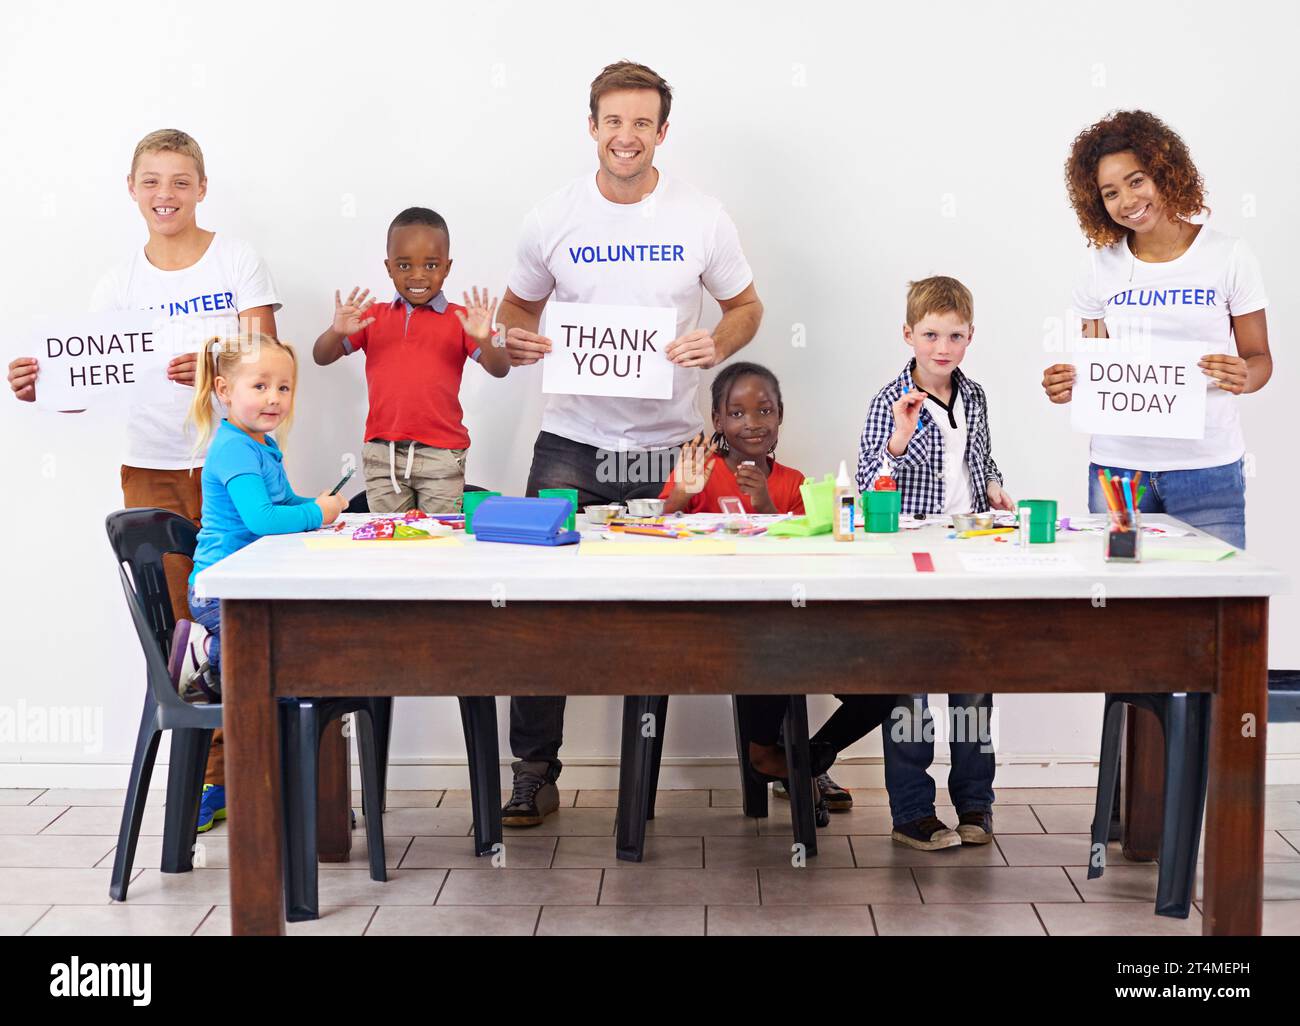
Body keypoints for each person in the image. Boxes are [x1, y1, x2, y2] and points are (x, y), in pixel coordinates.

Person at [495, 61, 763, 826]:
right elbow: (517, 305)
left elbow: (747, 304)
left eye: (642, 123)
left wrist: (716, 340)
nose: (627, 136)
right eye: (614, 121)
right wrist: (515, 338)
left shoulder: (701, 215)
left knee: (664, 611)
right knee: (542, 609)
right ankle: (533, 774)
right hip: (570, 443)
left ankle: (655, 780)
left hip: (669, 449)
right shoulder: (553, 216)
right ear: (592, 127)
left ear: (662, 132)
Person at [5, 129, 280, 832]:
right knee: (182, 629)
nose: (166, 195)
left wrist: (217, 361)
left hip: (233, 460)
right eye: (152, 181)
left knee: (238, 616)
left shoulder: (235, 259)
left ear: (202, 188)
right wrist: (42, 385)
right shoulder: (118, 283)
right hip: (150, 467)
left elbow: (268, 351)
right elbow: (86, 382)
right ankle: (202, 777)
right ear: (131, 189)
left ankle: (238, 772)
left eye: (180, 181)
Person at [1041, 109, 1271, 548]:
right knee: (1125, 611)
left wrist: (1245, 375)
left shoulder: (1228, 256)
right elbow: (1100, 364)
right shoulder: (1099, 267)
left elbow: (1260, 359)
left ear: (1165, 171)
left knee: (1213, 604)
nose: (1127, 201)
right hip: (1119, 473)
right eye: (1110, 193)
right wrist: (1071, 383)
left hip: (1209, 469)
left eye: (1136, 180)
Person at [858, 276, 1011, 849]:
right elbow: (871, 484)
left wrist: (995, 486)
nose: (942, 346)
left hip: (968, 551)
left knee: (973, 685)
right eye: (930, 334)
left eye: (954, 335)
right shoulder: (890, 401)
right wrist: (898, 438)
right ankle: (912, 813)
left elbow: (983, 457)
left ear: (970, 337)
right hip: (910, 554)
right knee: (911, 688)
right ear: (908, 335)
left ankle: (975, 805)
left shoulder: (973, 396)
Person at [184, 334, 347, 825]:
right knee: (283, 660)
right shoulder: (232, 448)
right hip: (222, 588)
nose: (274, 398)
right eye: (260, 385)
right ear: (224, 390)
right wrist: (317, 514)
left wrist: (317, 505)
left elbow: (283, 504)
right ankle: (209, 652)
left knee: (308, 650)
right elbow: (259, 519)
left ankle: (312, 799)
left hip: (256, 583)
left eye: (284, 387)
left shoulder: (261, 444)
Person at [313, 207, 510, 513]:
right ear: (389, 267)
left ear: (447, 267)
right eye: (404, 265)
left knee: (439, 540)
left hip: (441, 453)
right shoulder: (371, 317)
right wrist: (336, 331)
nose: (417, 275)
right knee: (389, 543)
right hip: (383, 453)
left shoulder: (463, 319)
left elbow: (500, 367)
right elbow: (321, 356)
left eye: (431, 265)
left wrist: (486, 337)